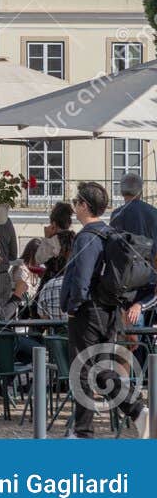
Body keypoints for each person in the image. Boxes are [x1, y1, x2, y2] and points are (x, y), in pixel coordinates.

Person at [61, 181, 152, 438]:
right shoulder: (108, 232)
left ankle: (83, 433)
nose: (74, 206)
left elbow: (82, 277)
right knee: (100, 371)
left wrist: (73, 306)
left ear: (84, 205)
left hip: (88, 312)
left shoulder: (87, 237)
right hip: (108, 310)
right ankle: (137, 411)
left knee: (81, 371)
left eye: (76, 202)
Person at [109, 173, 157, 247]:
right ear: (141, 192)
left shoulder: (117, 214)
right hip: (150, 257)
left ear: (121, 192)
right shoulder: (154, 212)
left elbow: (113, 243)